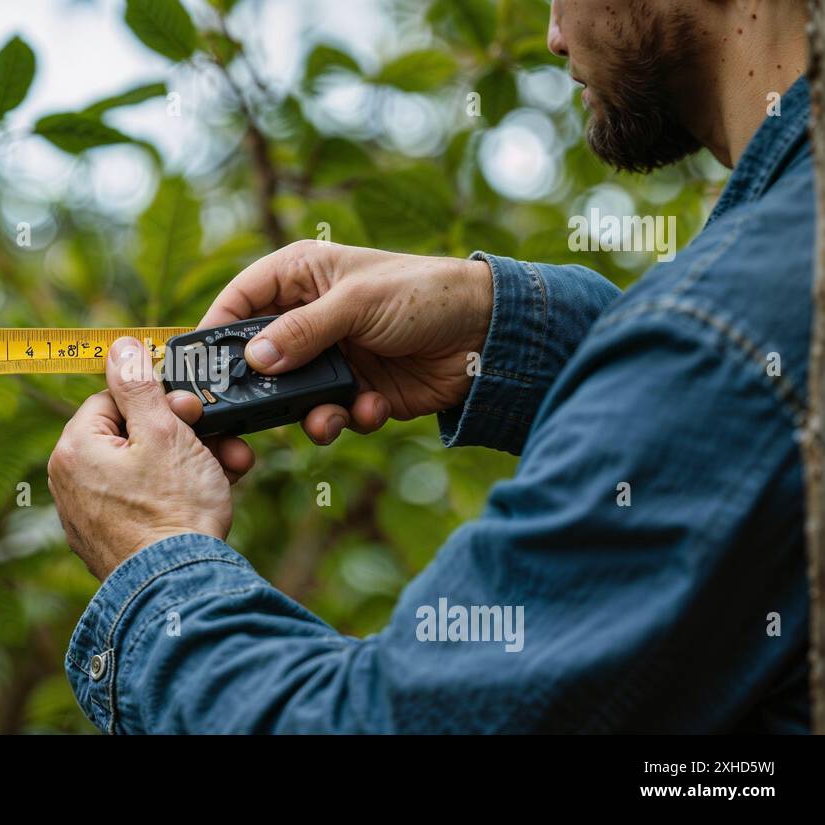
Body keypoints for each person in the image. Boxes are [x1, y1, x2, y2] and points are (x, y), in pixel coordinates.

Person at [47, 0, 814, 732]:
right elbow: (739, 433)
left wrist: (156, 560)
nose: (551, 34)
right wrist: (514, 328)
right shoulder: (761, 308)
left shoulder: (724, 343)